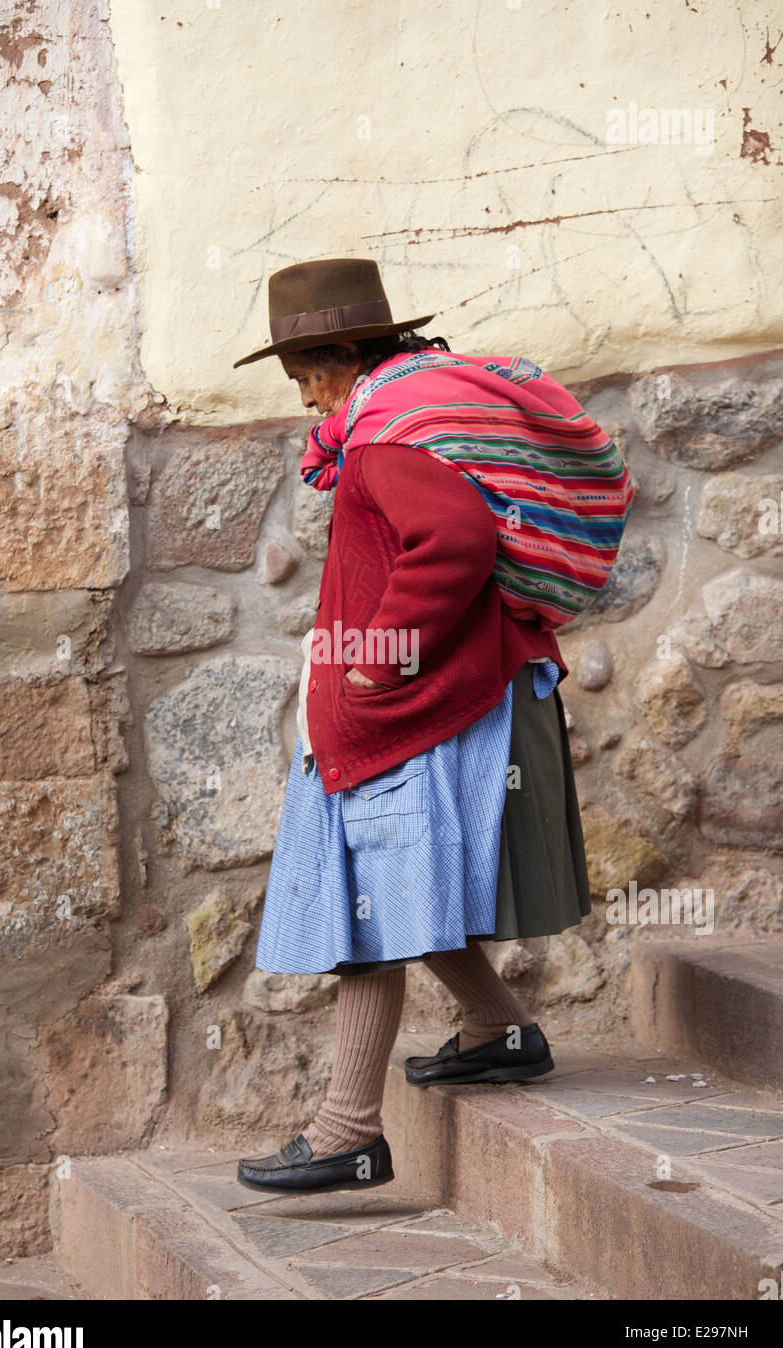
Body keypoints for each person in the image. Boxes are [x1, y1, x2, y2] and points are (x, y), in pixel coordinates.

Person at [232, 258, 592, 1193]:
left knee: (370, 899)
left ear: (345, 355)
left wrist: (373, 660)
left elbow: (457, 543)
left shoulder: (387, 436)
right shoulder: (405, 413)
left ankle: (349, 1129)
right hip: (436, 702)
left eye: (308, 373)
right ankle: (499, 1031)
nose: (305, 394)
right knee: (401, 878)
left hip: (416, 706)